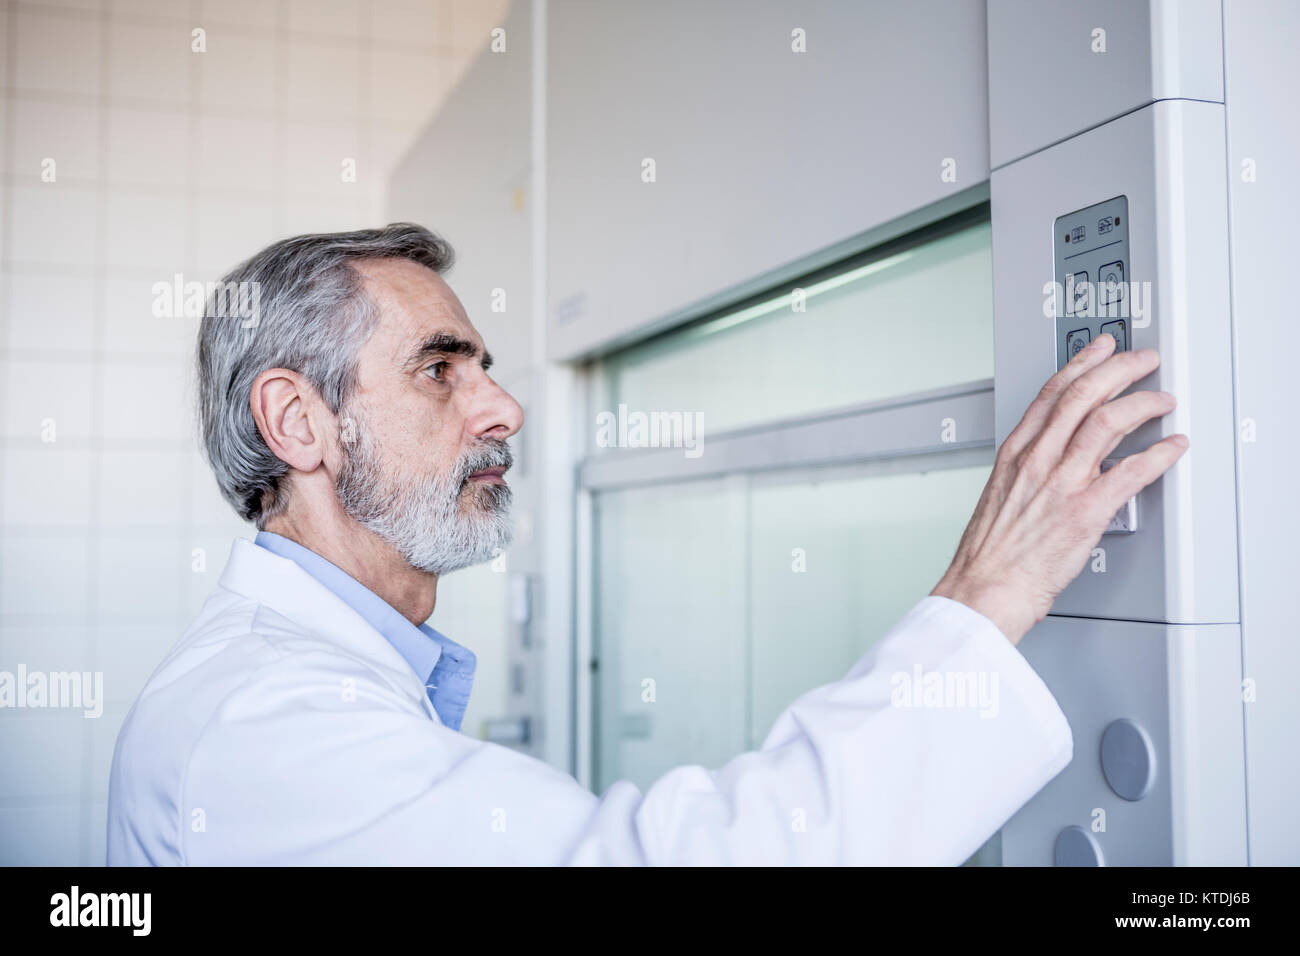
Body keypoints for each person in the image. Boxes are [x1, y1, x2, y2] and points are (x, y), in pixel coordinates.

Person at [106, 224, 1186, 865]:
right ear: (299, 424)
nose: (504, 409)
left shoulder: (301, 683)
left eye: (483, 365)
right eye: (441, 370)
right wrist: (984, 595)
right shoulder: (263, 726)